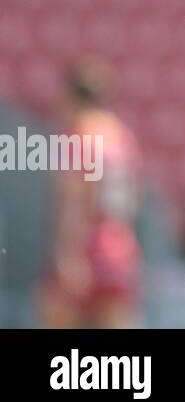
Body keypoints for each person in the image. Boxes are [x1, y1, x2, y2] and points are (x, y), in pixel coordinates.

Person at [40, 57, 142, 329]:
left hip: (88, 247)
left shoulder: (79, 136)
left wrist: (68, 254)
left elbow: (74, 200)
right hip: (119, 245)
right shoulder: (121, 136)